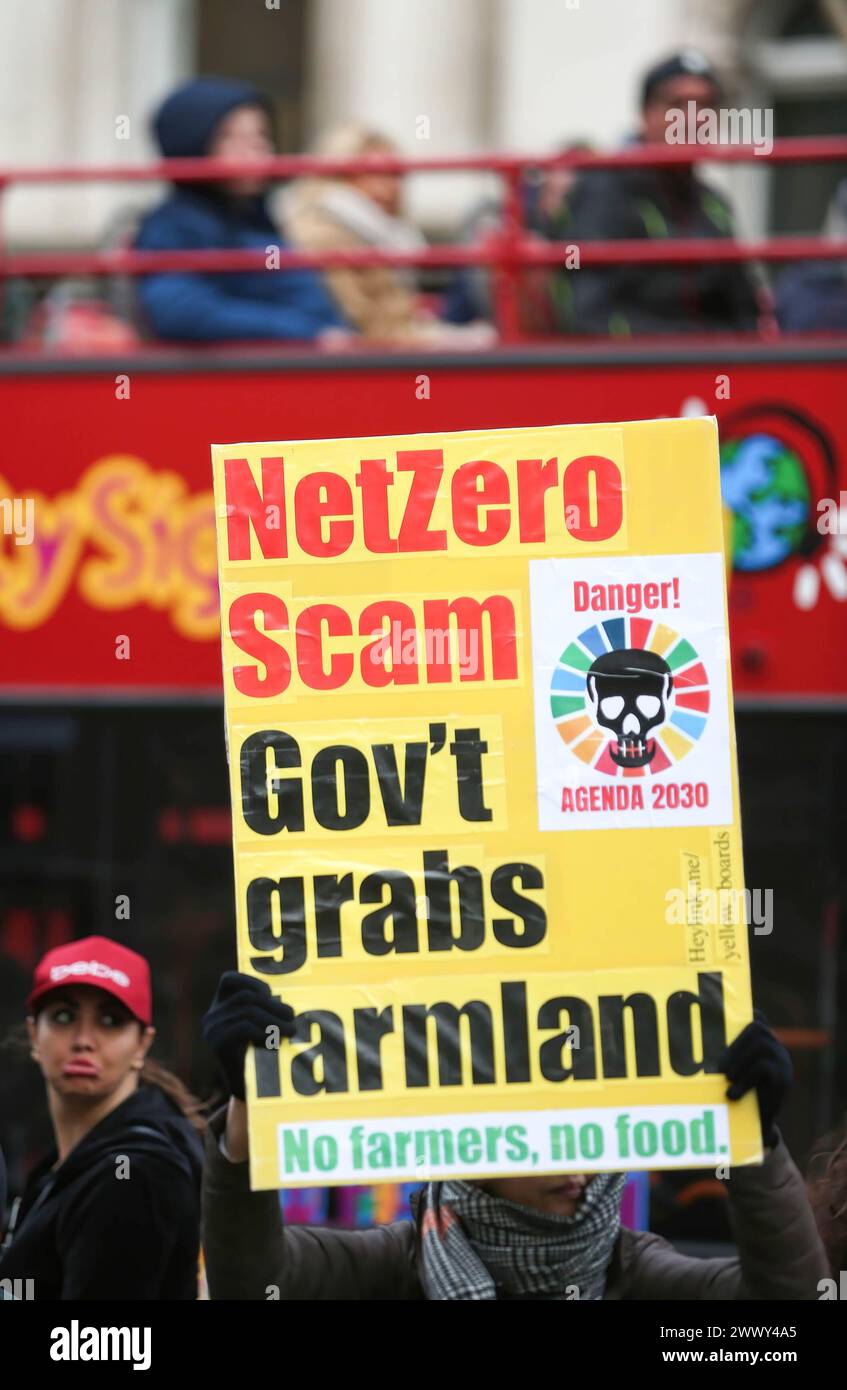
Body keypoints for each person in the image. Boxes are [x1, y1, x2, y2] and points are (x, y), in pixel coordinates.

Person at [200, 973, 827, 1300]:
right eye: (544, 1132)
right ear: (474, 1138)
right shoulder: (395, 1261)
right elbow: (253, 1285)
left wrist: (756, 1145)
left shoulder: (634, 1270)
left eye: (587, 1131)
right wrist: (249, 1104)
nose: (574, 1160)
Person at [0, 936, 203, 1299]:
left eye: (110, 1020)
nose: (83, 1040)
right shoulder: (61, 1168)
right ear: (34, 1034)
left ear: (142, 1044)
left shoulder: (133, 1176)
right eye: (64, 1016)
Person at [134, 77, 351, 345]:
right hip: (248, 378)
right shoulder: (176, 226)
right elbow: (180, 311)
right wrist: (307, 333)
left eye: (261, 135)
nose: (255, 150)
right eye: (229, 137)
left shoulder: (254, 217)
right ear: (193, 144)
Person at [565, 50, 761, 336]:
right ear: (646, 116)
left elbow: (745, 308)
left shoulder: (714, 203)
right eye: (676, 105)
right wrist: (692, 346)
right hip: (639, 372)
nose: (693, 120)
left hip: (714, 370)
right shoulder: (605, 191)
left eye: (706, 106)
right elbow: (589, 315)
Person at [280, 123, 494, 346]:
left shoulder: (380, 233)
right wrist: (454, 340)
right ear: (339, 177)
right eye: (373, 175)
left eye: (396, 175)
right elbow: (366, 328)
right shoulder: (325, 236)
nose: (390, 187)